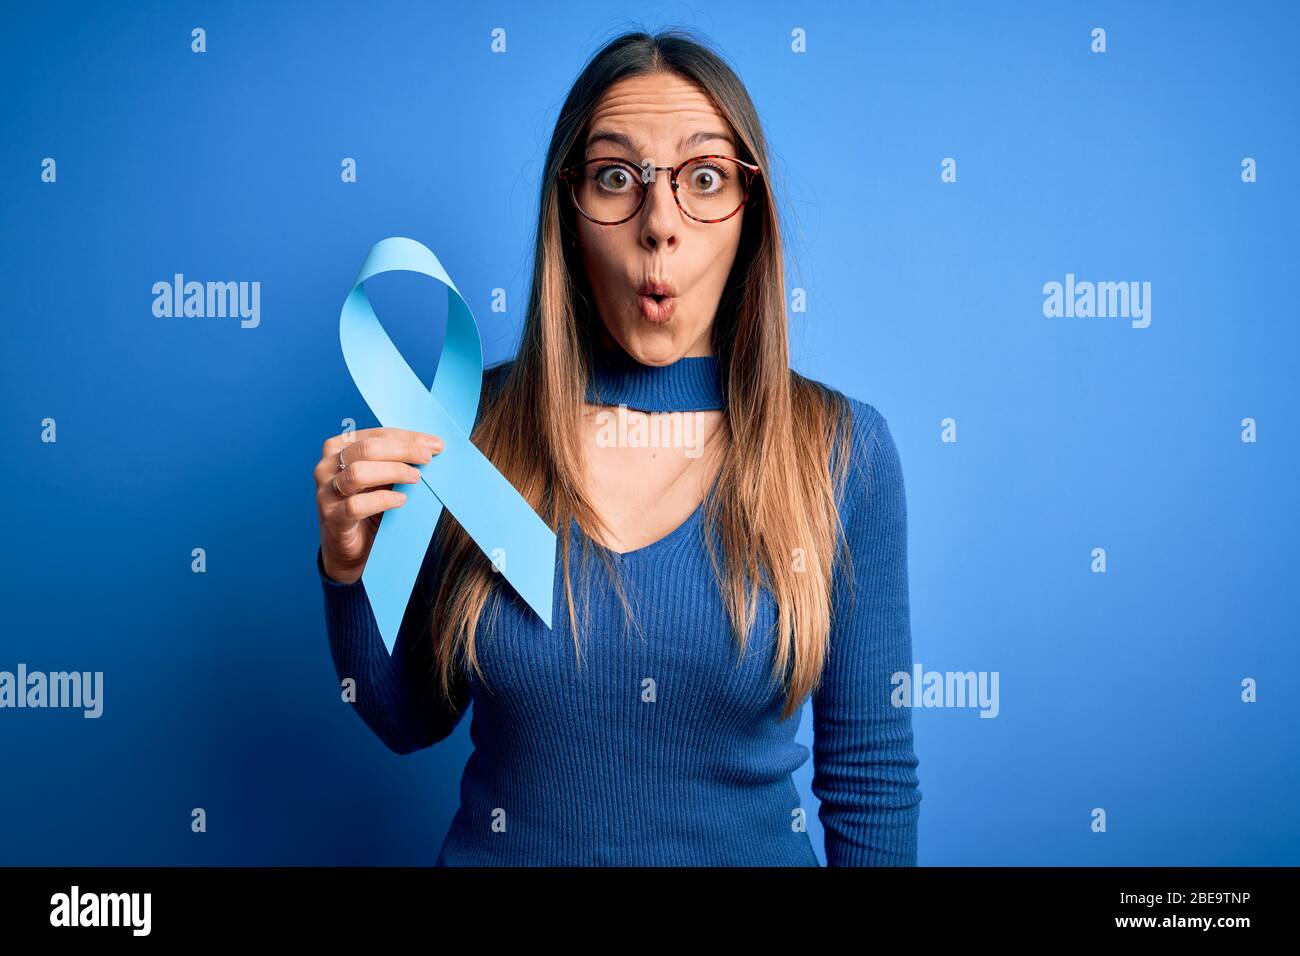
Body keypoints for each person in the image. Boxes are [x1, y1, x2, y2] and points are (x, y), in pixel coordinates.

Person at [311, 28, 921, 866]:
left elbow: (871, 779)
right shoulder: (468, 425)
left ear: (751, 213)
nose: (659, 224)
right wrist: (352, 574)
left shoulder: (842, 452)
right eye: (615, 179)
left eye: (703, 178)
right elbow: (406, 721)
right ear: (569, 209)